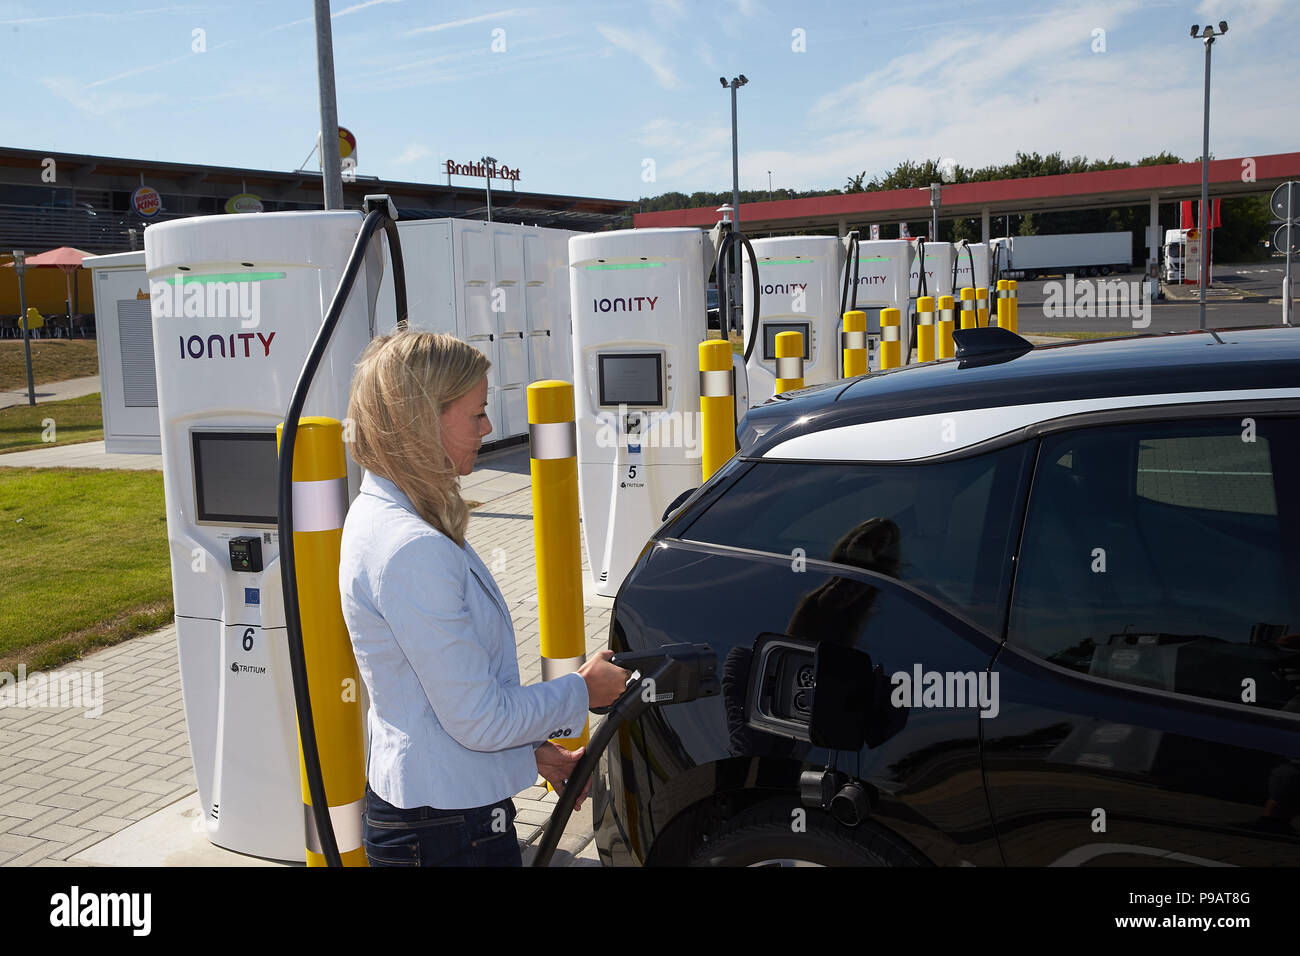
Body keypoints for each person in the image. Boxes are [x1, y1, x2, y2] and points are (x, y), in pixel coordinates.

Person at [339, 330, 628, 867]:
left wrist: (532, 752)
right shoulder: (410, 547)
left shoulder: (395, 515)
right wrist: (581, 691)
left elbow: (437, 706)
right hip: (445, 832)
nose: (489, 428)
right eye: (477, 414)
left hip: (441, 815)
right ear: (423, 421)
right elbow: (478, 718)